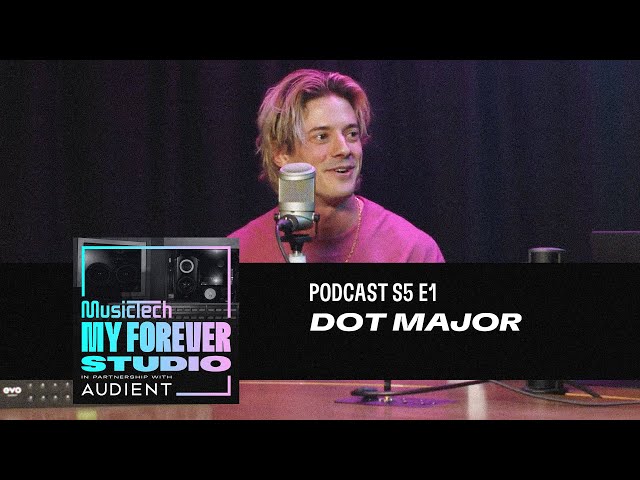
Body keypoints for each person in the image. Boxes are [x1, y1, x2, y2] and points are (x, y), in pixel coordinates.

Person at [228, 68, 445, 263]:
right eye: (322, 136)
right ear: (281, 153)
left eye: (352, 134)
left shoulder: (413, 250)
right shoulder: (235, 256)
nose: (344, 149)